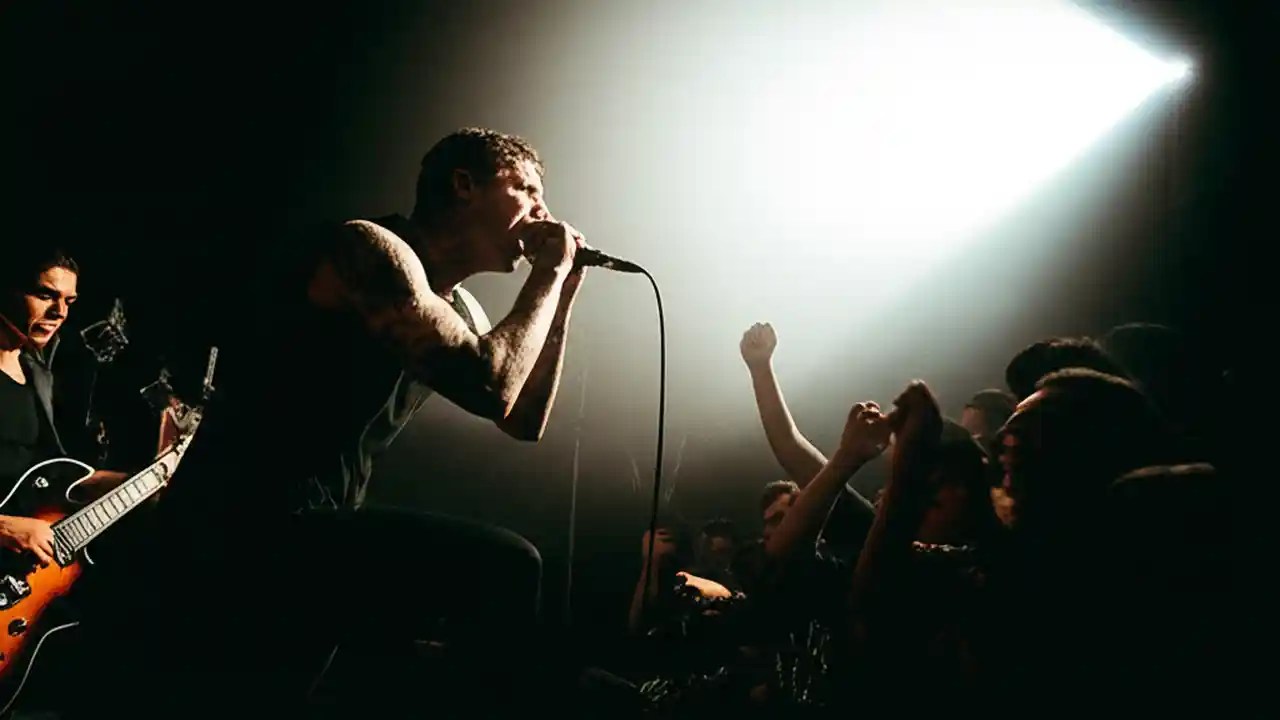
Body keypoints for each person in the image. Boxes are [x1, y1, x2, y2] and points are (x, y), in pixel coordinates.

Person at [88, 127, 592, 716]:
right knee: (505, 566)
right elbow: (490, 383)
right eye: (528, 190)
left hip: (322, 521)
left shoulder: (463, 309)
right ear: (464, 186)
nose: (543, 212)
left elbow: (523, 417)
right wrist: (547, 275)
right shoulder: (369, 248)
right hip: (243, 518)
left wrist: (565, 291)